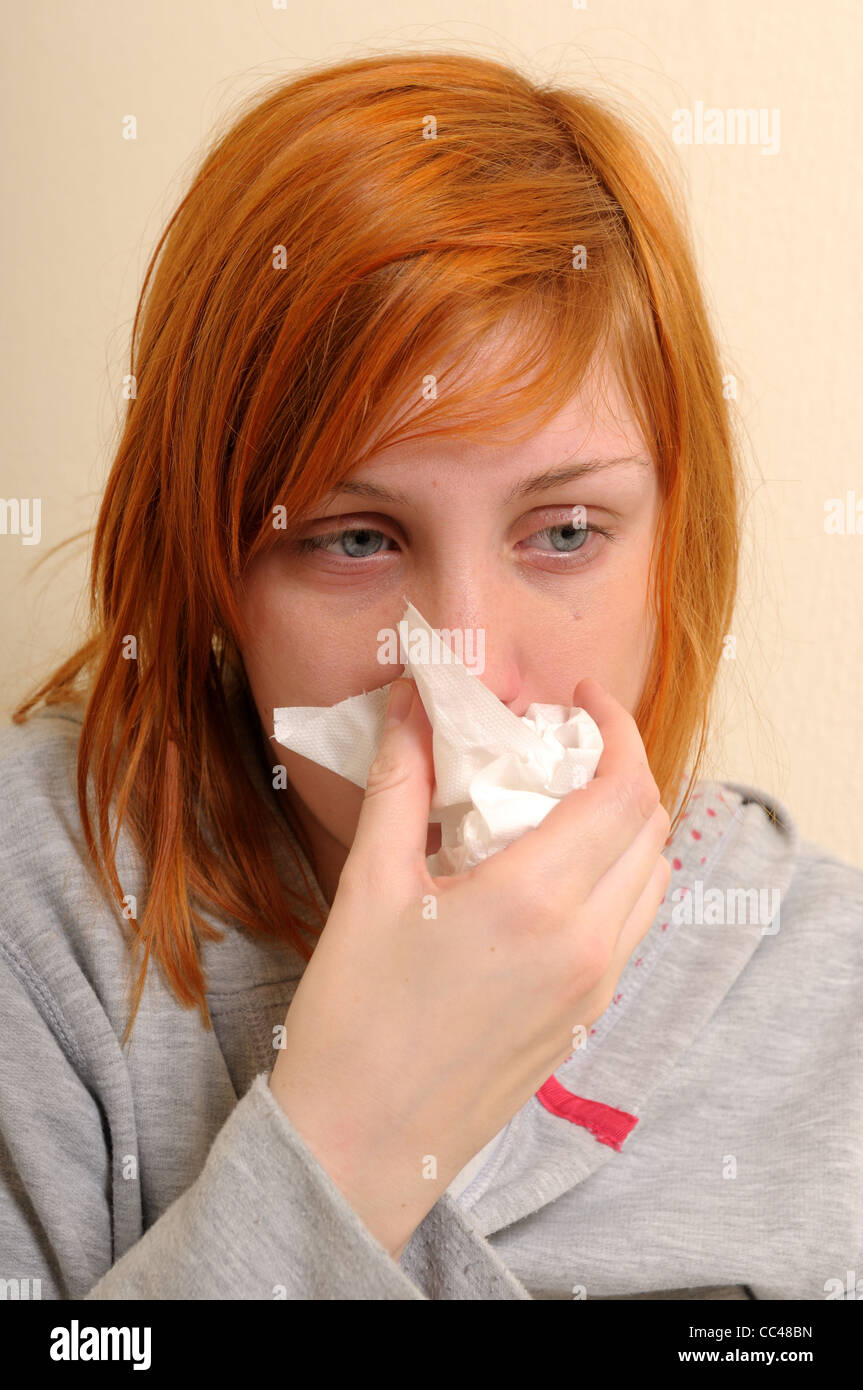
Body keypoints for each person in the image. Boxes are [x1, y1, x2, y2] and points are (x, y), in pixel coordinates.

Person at [1, 50, 860, 1303]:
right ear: (214, 576)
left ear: (677, 546)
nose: (460, 666)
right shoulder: (44, 923)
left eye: (562, 532)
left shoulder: (827, 1000)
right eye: (355, 539)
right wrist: (348, 1142)